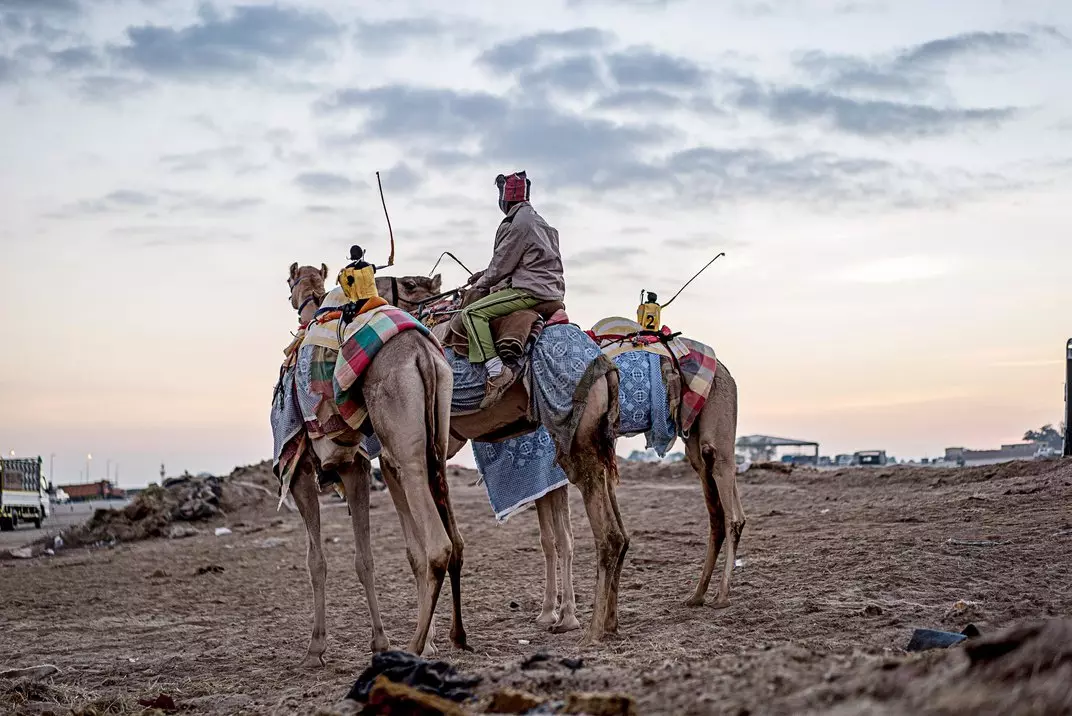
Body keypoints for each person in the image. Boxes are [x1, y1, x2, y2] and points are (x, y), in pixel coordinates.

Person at [462, 170, 565, 409]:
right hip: (553, 290)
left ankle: (496, 371)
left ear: (505, 199)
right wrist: (483, 274)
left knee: (472, 313)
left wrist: (480, 284)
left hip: (531, 291)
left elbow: (501, 265)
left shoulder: (519, 223)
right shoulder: (538, 220)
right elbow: (517, 261)